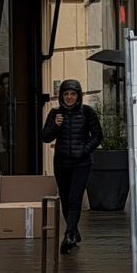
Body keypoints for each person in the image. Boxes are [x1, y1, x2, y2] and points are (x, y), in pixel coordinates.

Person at [40, 80, 103, 254]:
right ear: (61, 96)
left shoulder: (87, 112)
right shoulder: (55, 113)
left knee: (75, 198)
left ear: (78, 96)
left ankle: (69, 234)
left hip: (81, 163)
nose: (69, 97)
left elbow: (97, 136)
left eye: (73, 94)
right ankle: (73, 230)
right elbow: (45, 137)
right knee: (66, 197)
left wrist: (85, 150)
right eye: (66, 94)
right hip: (62, 162)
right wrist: (55, 125)